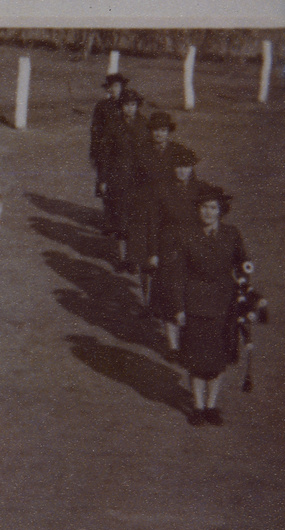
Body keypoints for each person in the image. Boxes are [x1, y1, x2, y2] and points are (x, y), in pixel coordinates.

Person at [167, 187, 248, 427]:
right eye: (204, 207)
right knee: (197, 360)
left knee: (218, 359)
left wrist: (244, 289)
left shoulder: (232, 234)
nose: (208, 212)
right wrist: (179, 308)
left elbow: (243, 264)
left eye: (213, 207)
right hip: (196, 306)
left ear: (221, 211)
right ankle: (197, 407)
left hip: (225, 306)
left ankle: (211, 406)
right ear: (197, 210)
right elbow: (177, 275)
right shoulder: (186, 235)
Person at [147, 145, 209, 353]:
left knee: (192, 294)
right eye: (179, 167)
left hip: (194, 249)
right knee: (169, 295)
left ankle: (189, 340)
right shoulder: (162, 189)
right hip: (169, 248)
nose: (183, 171)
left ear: (192, 168)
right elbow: (154, 222)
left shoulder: (200, 190)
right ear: (172, 168)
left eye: (187, 167)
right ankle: (173, 346)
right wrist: (154, 252)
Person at [100, 88, 149, 273]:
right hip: (118, 177)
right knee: (120, 218)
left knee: (136, 219)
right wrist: (103, 179)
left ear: (137, 106)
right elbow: (104, 154)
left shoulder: (144, 124)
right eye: (126, 105)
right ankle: (122, 259)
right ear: (121, 106)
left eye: (133, 105)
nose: (130, 109)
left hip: (138, 178)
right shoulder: (113, 125)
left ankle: (134, 259)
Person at [90, 73, 129, 205]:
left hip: (124, 150)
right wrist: (95, 150)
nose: (114, 89)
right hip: (107, 150)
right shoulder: (102, 106)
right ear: (108, 89)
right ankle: (108, 217)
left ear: (122, 87)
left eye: (117, 86)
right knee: (106, 183)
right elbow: (95, 129)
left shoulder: (128, 105)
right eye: (111, 87)